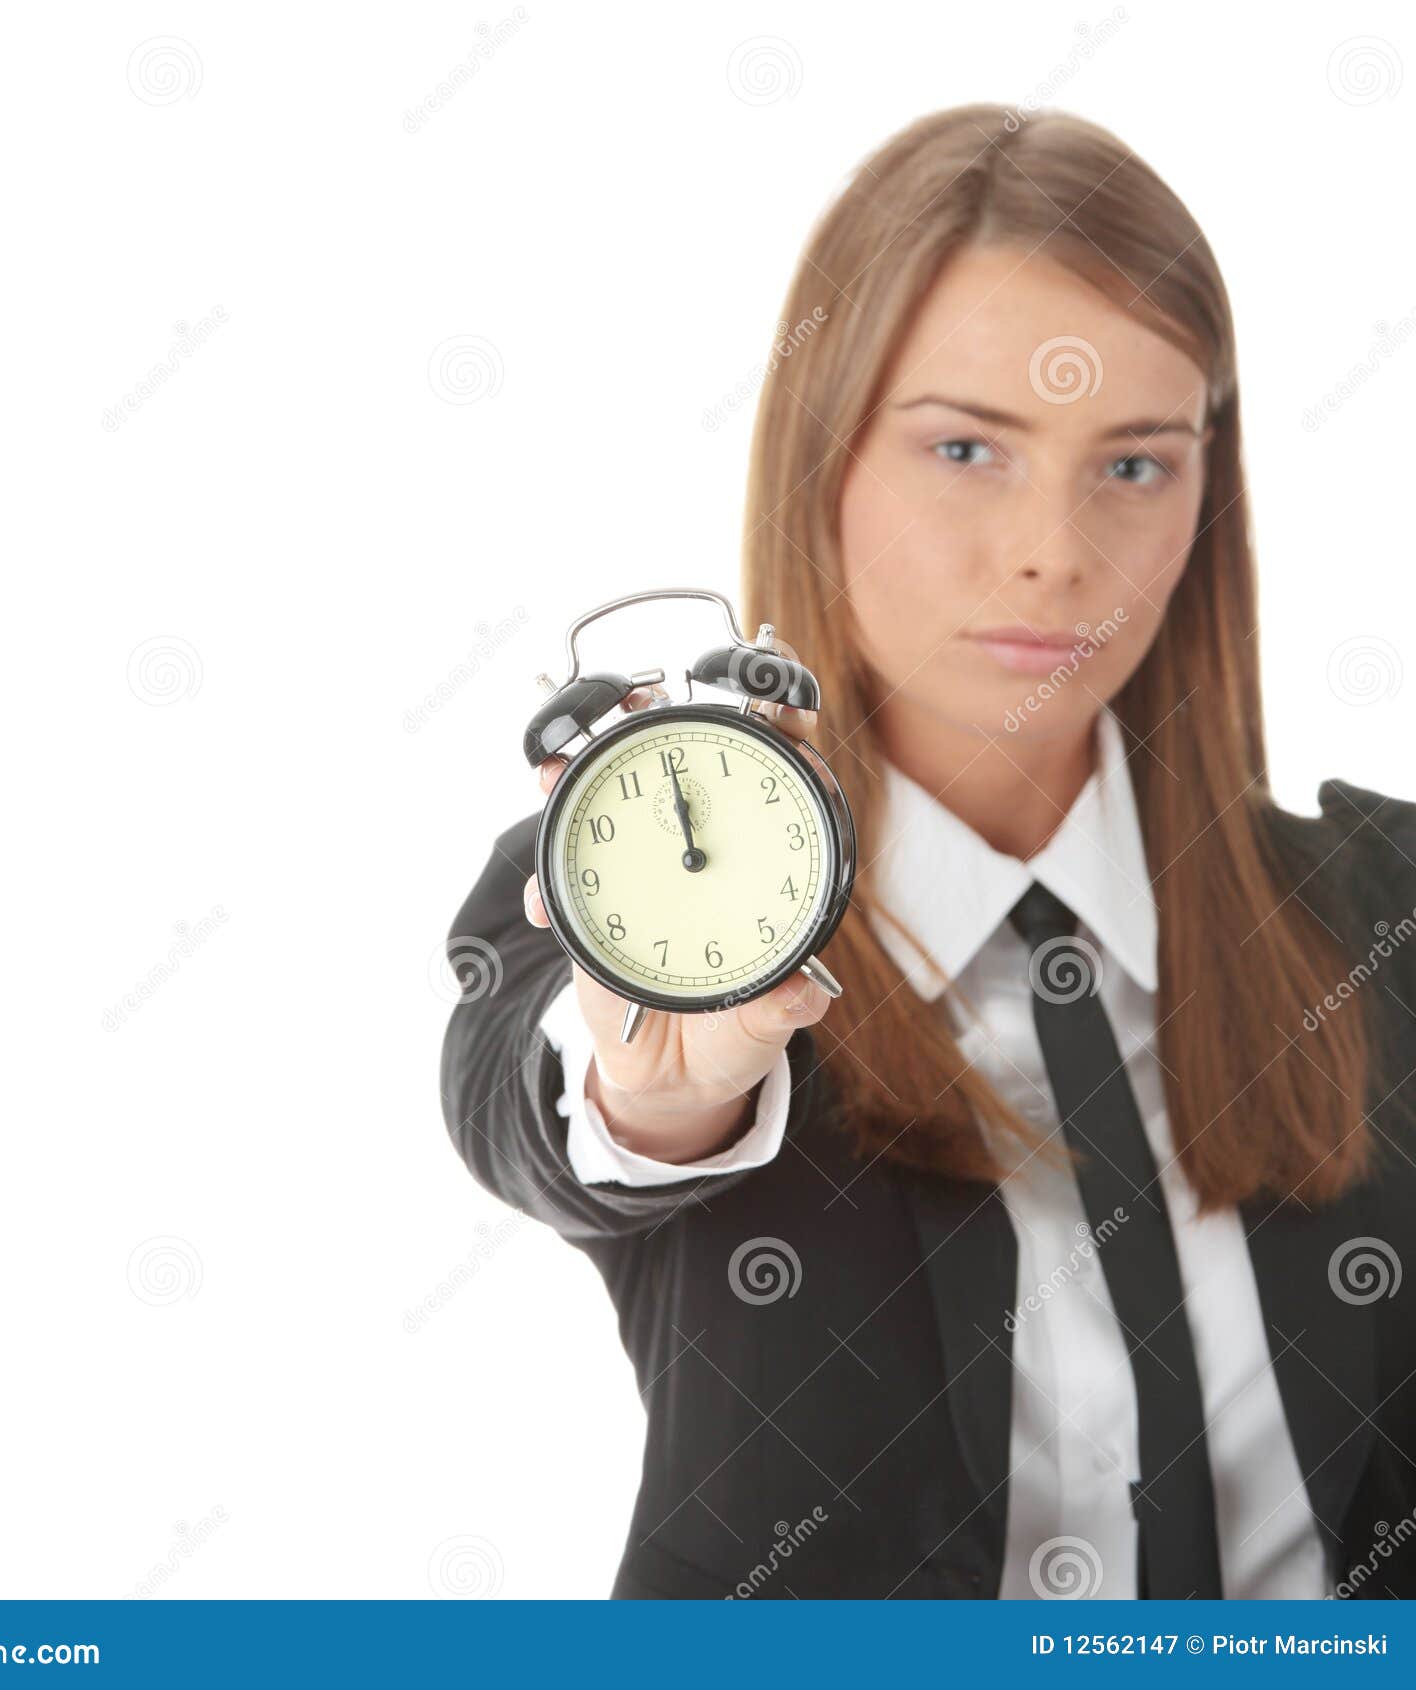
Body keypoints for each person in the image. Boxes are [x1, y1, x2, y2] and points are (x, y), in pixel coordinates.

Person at [438, 103, 1416, 1600]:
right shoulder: (647, 895)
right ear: (822, 459)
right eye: (966, 447)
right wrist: (659, 1090)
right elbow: (544, 1095)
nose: (1053, 552)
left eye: (1134, 465)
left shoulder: (1381, 910)